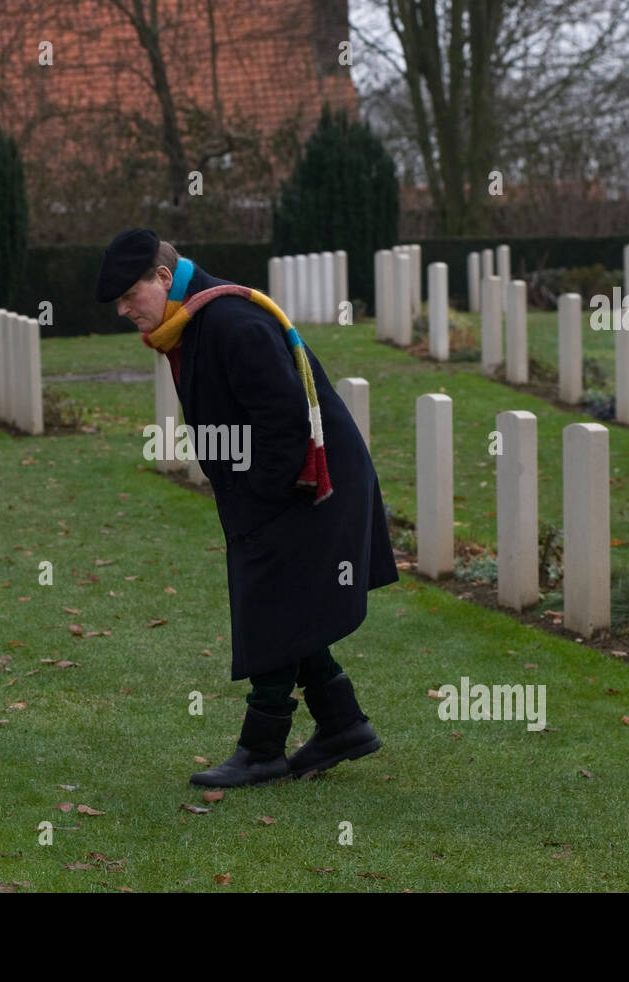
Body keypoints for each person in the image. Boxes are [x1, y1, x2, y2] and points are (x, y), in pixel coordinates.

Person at [94, 228, 399, 788]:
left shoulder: (234, 321)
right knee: (284, 603)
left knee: (271, 603)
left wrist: (255, 502)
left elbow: (284, 425)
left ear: (163, 278)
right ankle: (341, 722)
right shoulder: (194, 321)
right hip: (276, 483)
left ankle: (261, 748)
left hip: (309, 482)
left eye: (128, 294)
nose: (122, 309)